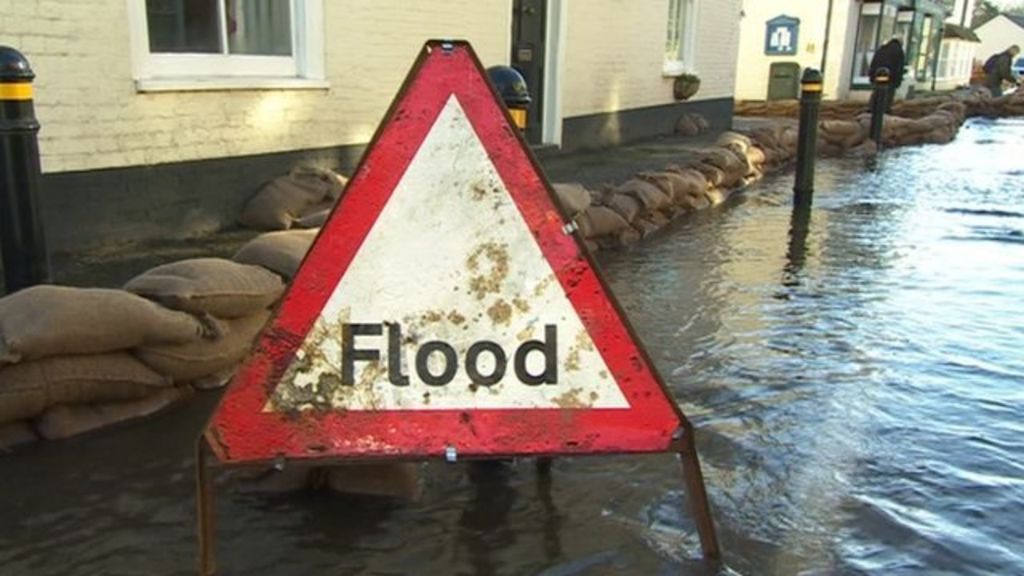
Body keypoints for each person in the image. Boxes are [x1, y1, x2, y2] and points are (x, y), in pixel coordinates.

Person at [868, 38, 906, 112]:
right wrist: (897, 82)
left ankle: (872, 109)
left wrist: (871, 77)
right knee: (888, 94)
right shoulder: (899, 51)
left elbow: (874, 63)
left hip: (878, 74)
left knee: (877, 91)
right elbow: (899, 68)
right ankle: (884, 112)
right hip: (890, 76)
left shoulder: (882, 49)